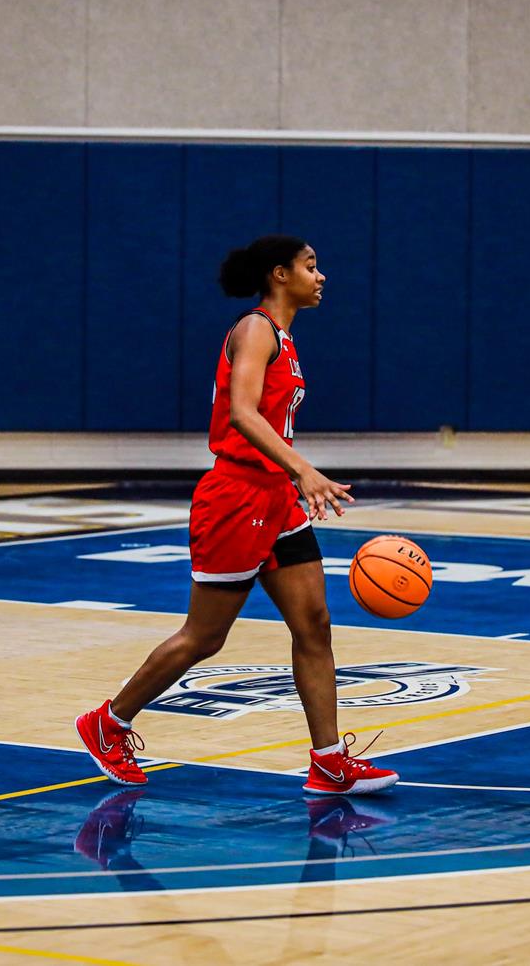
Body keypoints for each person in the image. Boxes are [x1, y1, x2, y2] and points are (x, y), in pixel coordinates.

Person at [74, 235, 397, 795]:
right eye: (311, 266)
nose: (321, 277)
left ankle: (328, 760)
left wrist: (291, 480)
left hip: (276, 502)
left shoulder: (288, 342)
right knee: (205, 637)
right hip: (236, 499)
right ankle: (109, 722)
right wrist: (303, 469)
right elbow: (242, 414)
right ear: (279, 274)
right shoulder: (255, 330)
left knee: (314, 624)